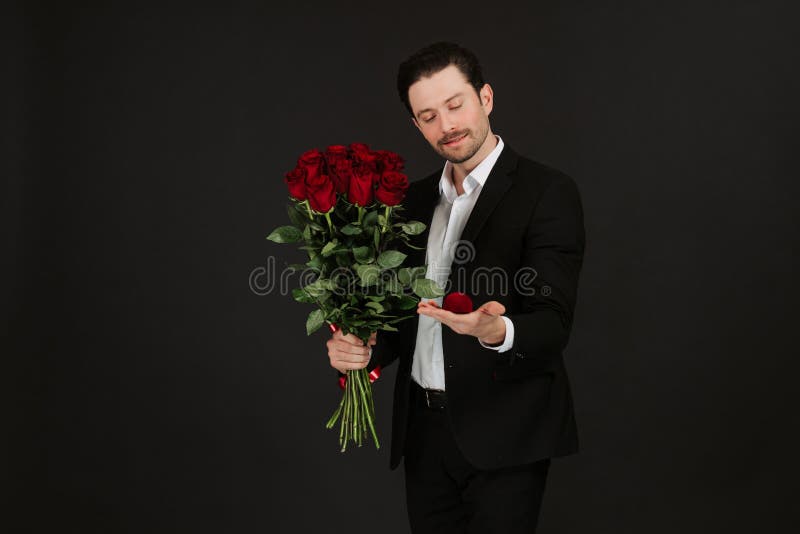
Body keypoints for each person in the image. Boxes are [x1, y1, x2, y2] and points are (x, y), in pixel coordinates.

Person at [326, 41, 586, 533]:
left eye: (455, 104)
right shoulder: (411, 201)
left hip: (506, 433)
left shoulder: (547, 192)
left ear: (485, 98)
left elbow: (553, 325)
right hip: (424, 434)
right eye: (428, 116)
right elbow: (403, 321)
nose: (446, 126)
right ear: (416, 125)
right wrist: (362, 349)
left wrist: (495, 329)